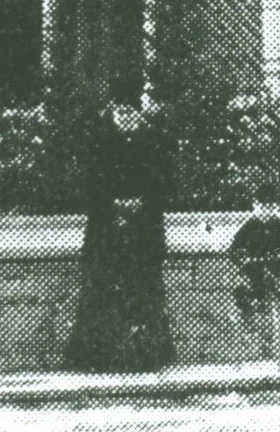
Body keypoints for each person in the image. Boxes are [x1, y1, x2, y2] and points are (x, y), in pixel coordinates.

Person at [62, 99, 176, 372]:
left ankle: (145, 357)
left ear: (140, 114)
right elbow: (90, 182)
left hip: (143, 232)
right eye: (121, 112)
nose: (126, 118)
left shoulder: (154, 142)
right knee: (103, 291)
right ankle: (98, 358)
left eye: (132, 112)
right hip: (106, 232)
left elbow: (164, 181)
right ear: (113, 112)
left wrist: (142, 204)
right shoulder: (99, 141)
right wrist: (113, 206)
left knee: (143, 291)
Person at [229, 188, 280, 342]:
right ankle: (246, 322)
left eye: (271, 207)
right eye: (263, 207)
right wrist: (242, 258)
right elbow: (233, 249)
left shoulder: (278, 225)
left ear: (276, 207)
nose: (266, 211)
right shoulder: (249, 226)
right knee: (240, 289)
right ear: (255, 206)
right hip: (253, 270)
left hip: (276, 268)